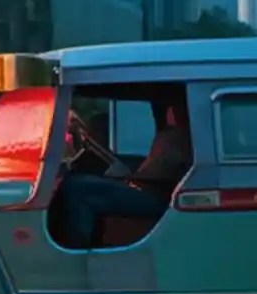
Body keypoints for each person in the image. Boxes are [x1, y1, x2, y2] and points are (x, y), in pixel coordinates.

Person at [60, 102, 192, 249]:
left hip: (157, 196)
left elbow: (164, 174)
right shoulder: (170, 135)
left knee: (77, 186)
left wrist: (129, 178)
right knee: (84, 179)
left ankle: (78, 247)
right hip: (146, 187)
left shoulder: (181, 138)